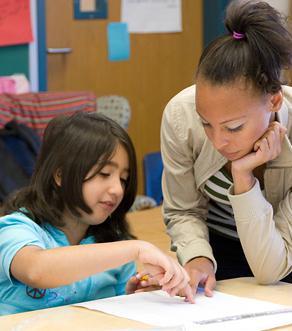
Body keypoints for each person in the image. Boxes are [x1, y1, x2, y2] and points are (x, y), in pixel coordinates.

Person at [160, 0, 292, 297]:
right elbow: (183, 209)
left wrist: (244, 177)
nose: (218, 140)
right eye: (206, 123)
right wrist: (197, 256)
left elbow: (270, 268)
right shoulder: (180, 116)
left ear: (274, 101)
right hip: (219, 242)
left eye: (233, 127)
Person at [0, 112, 193, 316]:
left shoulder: (113, 242)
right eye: (104, 174)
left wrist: (134, 296)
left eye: (123, 179)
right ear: (61, 175)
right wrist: (136, 248)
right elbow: (36, 270)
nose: (118, 189)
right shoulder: (15, 229)